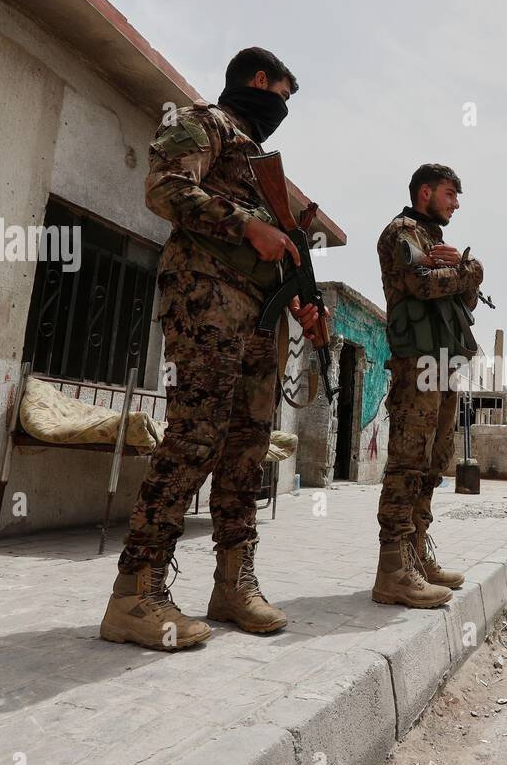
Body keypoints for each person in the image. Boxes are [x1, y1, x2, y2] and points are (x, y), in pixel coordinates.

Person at [100, 48, 328, 650]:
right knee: (195, 436)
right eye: (283, 93)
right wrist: (245, 225)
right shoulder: (202, 122)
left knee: (246, 451)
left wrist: (305, 302)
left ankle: (233, 583)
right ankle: (135, 592)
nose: (283, 108)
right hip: (206, 298)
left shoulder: (261, 165)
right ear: (259, 82)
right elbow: (165, 189)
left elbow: (287, 253)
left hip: (258, 316)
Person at [374, 164, 484, 608]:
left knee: (434, 461)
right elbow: (420, 285)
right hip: (415, 363)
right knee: (407, 461)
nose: (456, 203)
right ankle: (392, 569)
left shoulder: (435, 242)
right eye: (450, 194)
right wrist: (471, 268)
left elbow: (461, 297)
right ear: (425, 192)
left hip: (441, 365)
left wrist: (460, 273)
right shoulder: (400, 232)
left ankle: (417, 555)